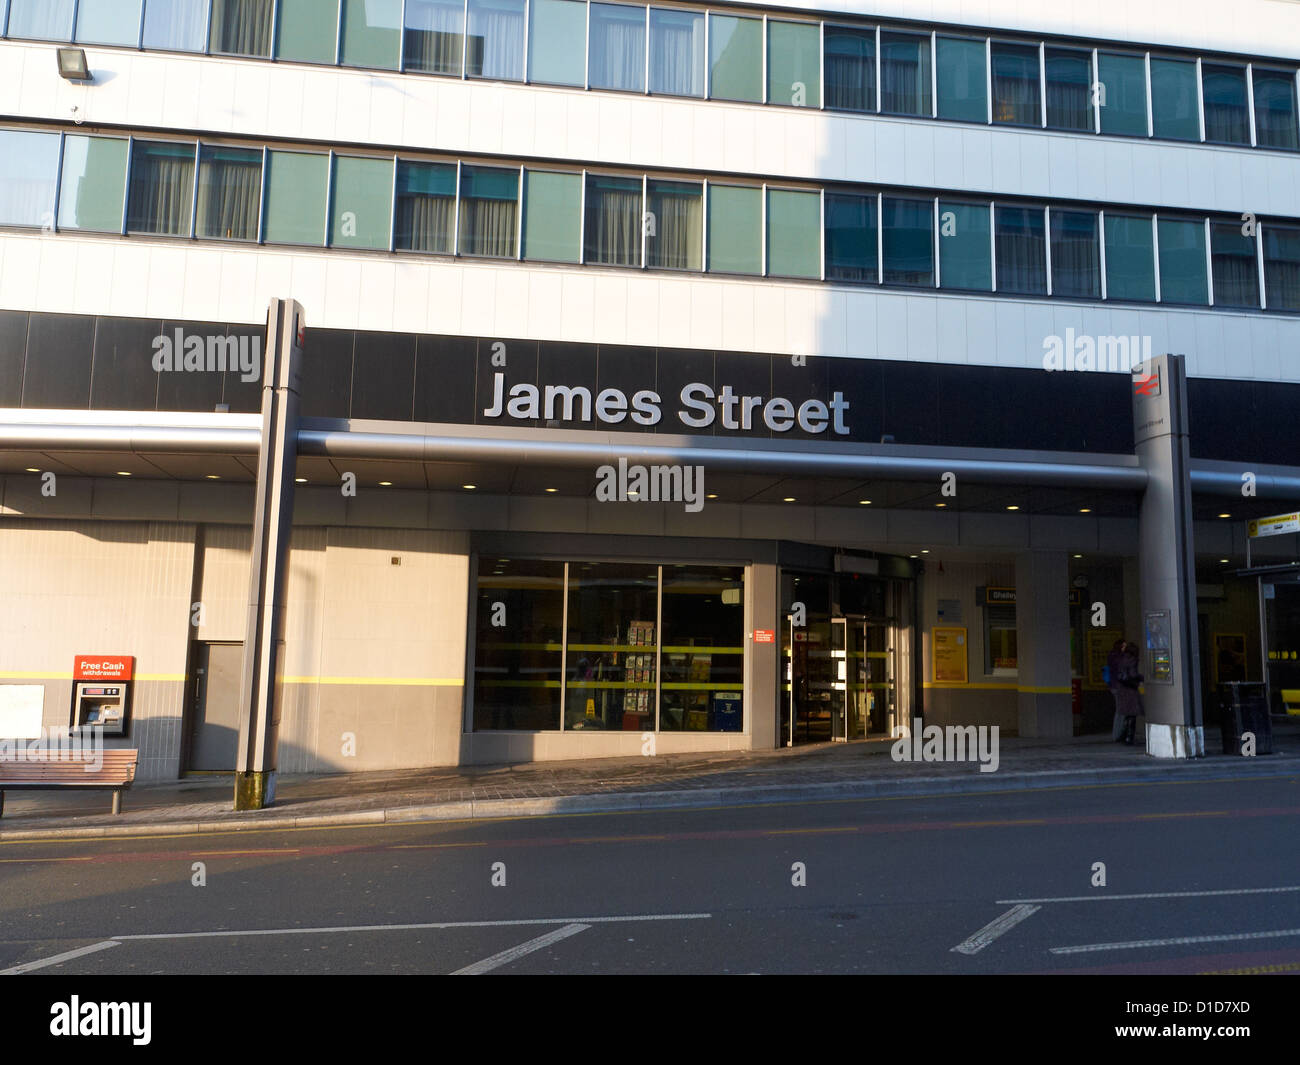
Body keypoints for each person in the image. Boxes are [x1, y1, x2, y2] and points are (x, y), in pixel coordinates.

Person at [1114, 640, 1145, 746]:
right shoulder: (1133, 659)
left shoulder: (1122, 658)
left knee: (1127, 714)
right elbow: (1133, 674)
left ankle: (1123, 736)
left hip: (1122, 688)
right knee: (1132, 715)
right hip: (1130, 688)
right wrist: (1142, 678)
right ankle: (1129, 737)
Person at [1106, 638, 1127, 742]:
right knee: (1120, 711)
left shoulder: (1111, 656)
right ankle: (1117, 734)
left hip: (1114, 686)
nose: (1125, 648)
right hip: (1119, 687)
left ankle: (1117, 734)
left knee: (1120, 710)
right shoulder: (1119, 658)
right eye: (1123, 646)